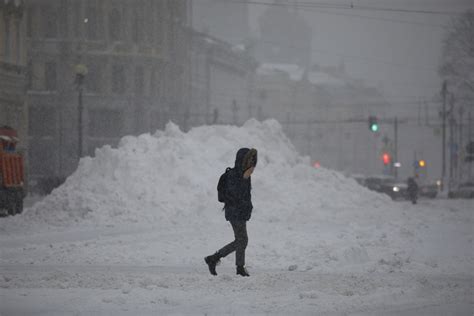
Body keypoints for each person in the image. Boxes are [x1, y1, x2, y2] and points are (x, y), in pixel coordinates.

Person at [205, 148, 257, 277]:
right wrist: (244, 179)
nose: (251, 161)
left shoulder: (245, 174)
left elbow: (246, 196)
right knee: (242, 240)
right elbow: (235, 195)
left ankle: (215, 259)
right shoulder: (234, 175)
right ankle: (237, 267)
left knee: (241, 240)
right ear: (242, 160)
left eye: (252, 159)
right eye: (249, 158)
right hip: (234, 212)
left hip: (240, 212)